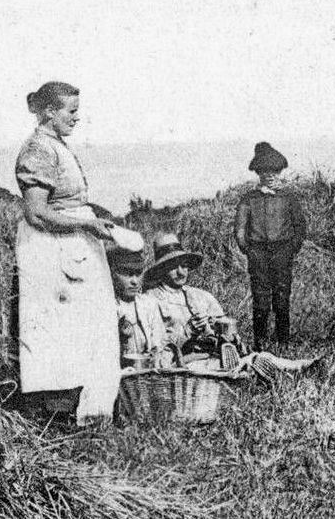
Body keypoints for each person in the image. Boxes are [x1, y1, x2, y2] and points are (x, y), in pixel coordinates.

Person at [13, 81, 120, 427]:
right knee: (58, 329)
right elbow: (37, 213)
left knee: (83, 325)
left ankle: (86, 408)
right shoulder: (38, 151)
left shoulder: (54, 146)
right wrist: (86, 226)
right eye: (71, 111)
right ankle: (56, 415)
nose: (77, 118)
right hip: (50, 251)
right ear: (49, 112)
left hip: (70, 246)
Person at [235, 142, 308, 350]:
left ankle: (283, 341)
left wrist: (291, 248)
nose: (269, 175)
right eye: (263, 171)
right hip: (258, 253)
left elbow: (300, 227)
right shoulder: (249, 199)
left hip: (282, 252)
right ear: (258, 173)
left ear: (280, 172)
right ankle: (260, 343)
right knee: (260, 297)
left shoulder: (288, 198)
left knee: (282, 295)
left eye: (273, 171)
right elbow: (240, 228)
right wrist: (248, 250)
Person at [130, 233, 233, 356]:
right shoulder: (150, 300)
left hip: (214, 357)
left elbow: (228, 331)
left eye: (184, 266)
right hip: (179, 364)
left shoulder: (203, 297)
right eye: (173, 267)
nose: (181, 272)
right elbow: (153, 347)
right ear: (162, 268)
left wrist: (216, 329)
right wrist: (187, 331)